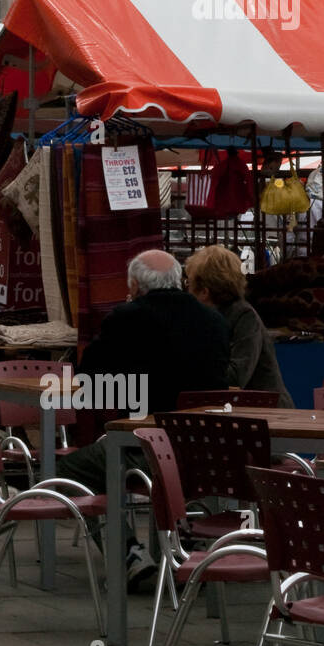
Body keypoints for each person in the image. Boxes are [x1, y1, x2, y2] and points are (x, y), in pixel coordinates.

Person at [57, 249, 231, 591]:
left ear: (135, 285)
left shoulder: (127, 317)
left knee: (70, 470)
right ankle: (187, 544)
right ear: (179, 281)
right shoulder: (215, 321)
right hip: (206, 452)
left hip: (149, 448)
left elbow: (90, 379)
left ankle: (129, 556)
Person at [184, 245, 293, 408]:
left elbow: (236, 378)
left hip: (269, 415)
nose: (187, 289)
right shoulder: (212, 317)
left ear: (204, 292)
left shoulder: (244, 316)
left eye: (189, 283)